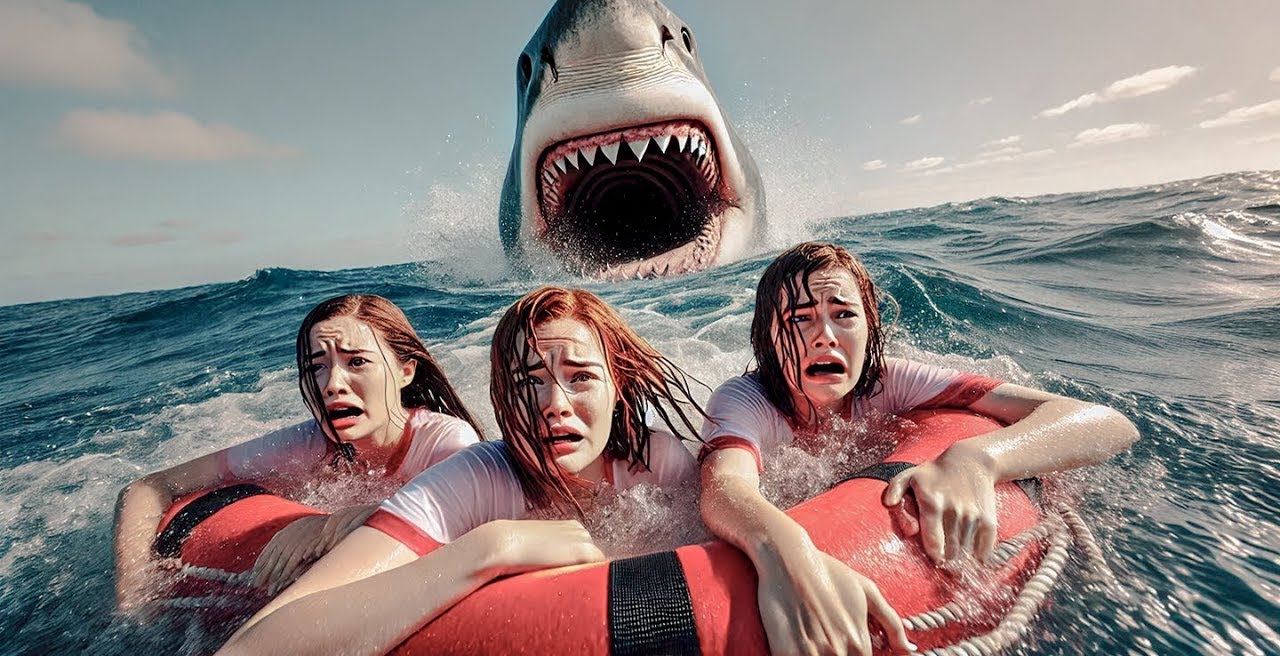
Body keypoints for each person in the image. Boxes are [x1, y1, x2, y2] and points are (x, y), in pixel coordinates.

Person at [698, 241, 1141, 656]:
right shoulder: (745, 399)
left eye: (844, 314)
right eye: (800, 318)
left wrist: (977, 459)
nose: (825, 336)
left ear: (870, 328)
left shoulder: (888, 381)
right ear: (767, 337)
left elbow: (1106, 423)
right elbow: (725, 488)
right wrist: (789, 552)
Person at [215, 286, 705, 655]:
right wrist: (486, 550)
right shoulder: (474, 478)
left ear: (617, 386)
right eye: (528, 382)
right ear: (501, 396)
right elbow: (253, 646)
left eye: (581, 378)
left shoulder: (658, 465)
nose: (555, 404)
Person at [113, 294, 483, 609]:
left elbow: (465, 527)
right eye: (316, 367)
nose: (332, 384)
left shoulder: (446, 442)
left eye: (357, 362)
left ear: (405, 372)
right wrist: (135, 596)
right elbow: (147, 487)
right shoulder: (310, 444)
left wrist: (329, 525)